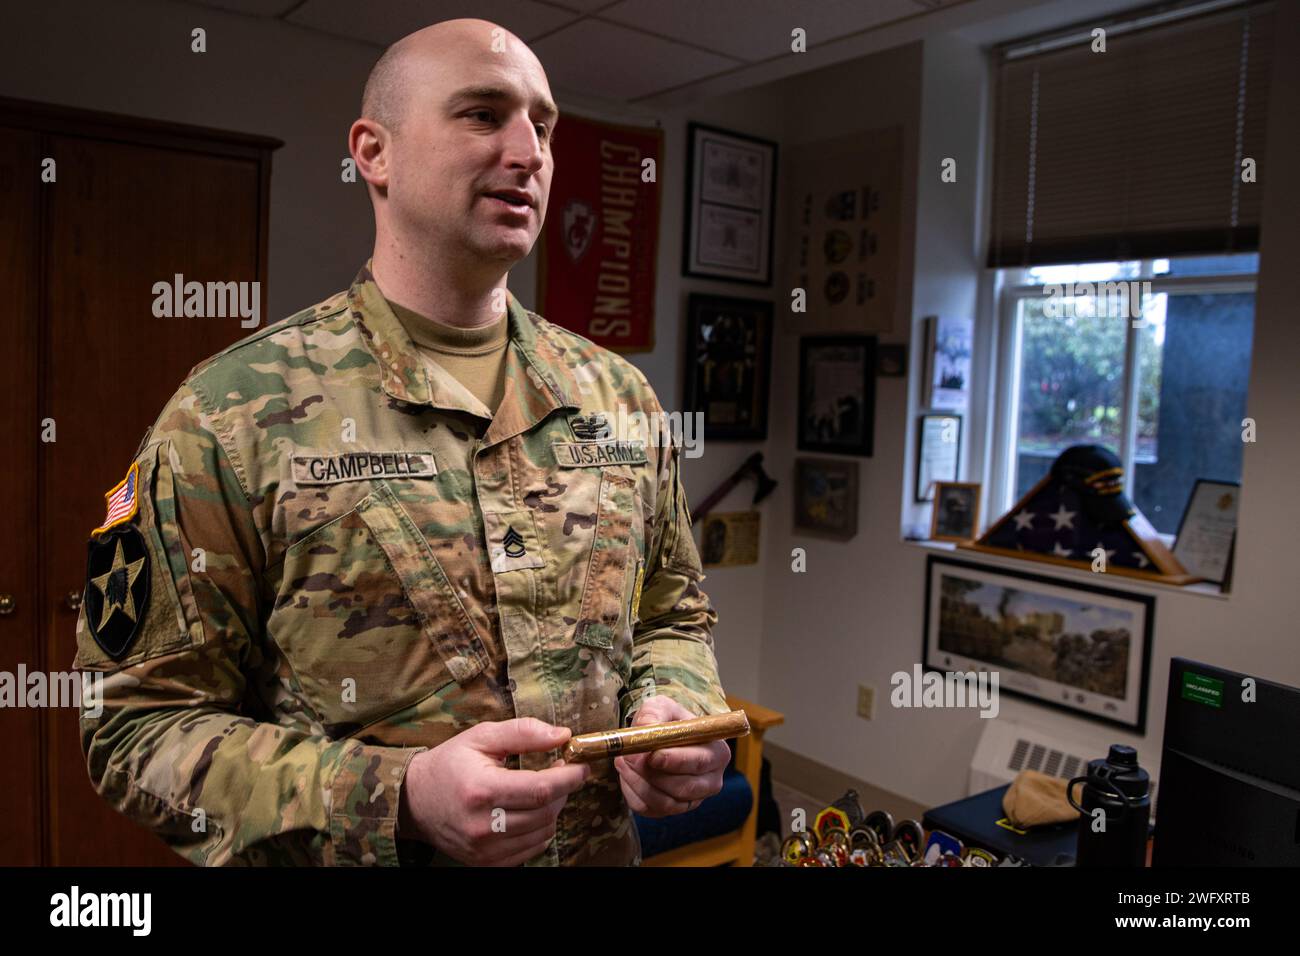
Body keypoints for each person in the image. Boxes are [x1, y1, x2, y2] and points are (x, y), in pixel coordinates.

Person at [73, 17, 731, 867]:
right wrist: (399, 797)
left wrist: (676, 708)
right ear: (372, 153)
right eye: (483, 115)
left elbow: (673, 613)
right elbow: (133, 730)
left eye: (544, 123)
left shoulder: (617, 396)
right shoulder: (229, 414)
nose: (529, 152)